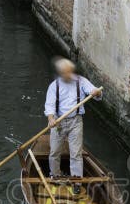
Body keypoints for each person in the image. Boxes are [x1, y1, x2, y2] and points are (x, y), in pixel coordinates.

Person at [44, 58, 102, 192]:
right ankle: (55, 176)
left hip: (76, 121)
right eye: (64, 72)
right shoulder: (54, 86)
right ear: (60, 73)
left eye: (69, 72)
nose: (67, 75)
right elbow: (49, 105)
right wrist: (51, 118)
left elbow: (94, 91)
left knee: (76, 153)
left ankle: (76, 181)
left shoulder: (81, 81)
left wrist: (96, 92)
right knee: (54, 152)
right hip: (58, 122)